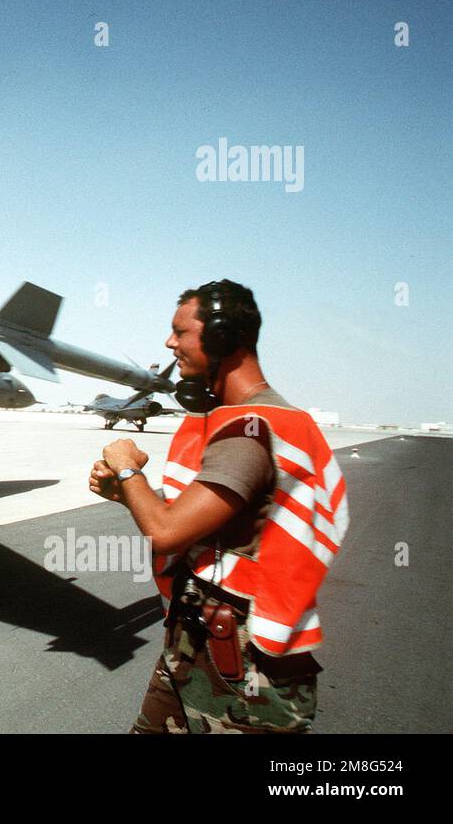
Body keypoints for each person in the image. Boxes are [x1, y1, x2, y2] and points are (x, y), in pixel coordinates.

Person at [88, 280, 349, 733]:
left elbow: (167, 532)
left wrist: (129, 469)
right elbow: (207, 528)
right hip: (193, 648)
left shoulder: (248, 429)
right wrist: (126, 492)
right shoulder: (252, 421)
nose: (170, 343)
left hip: (243, 674)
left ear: (222, 337)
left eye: (180, 332)